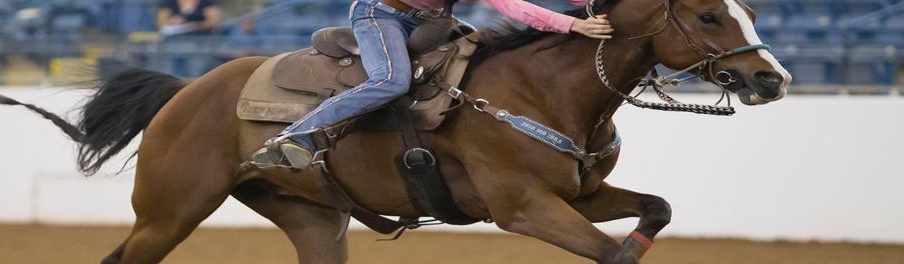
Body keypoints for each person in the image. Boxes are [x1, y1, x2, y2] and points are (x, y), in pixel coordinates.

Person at [251, 0, 612, 170]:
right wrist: (572, 25)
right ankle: (298, 134)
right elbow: (512, 6)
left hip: (432, 22)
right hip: (381, 14)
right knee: (391, 79)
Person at [158, 0, 222, 36]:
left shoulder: (207, 2)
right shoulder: (169, 2)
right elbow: (160, 23)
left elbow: (213, 23)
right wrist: (171, 22)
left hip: (202, 38)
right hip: (174, 38)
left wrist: (194, 26)